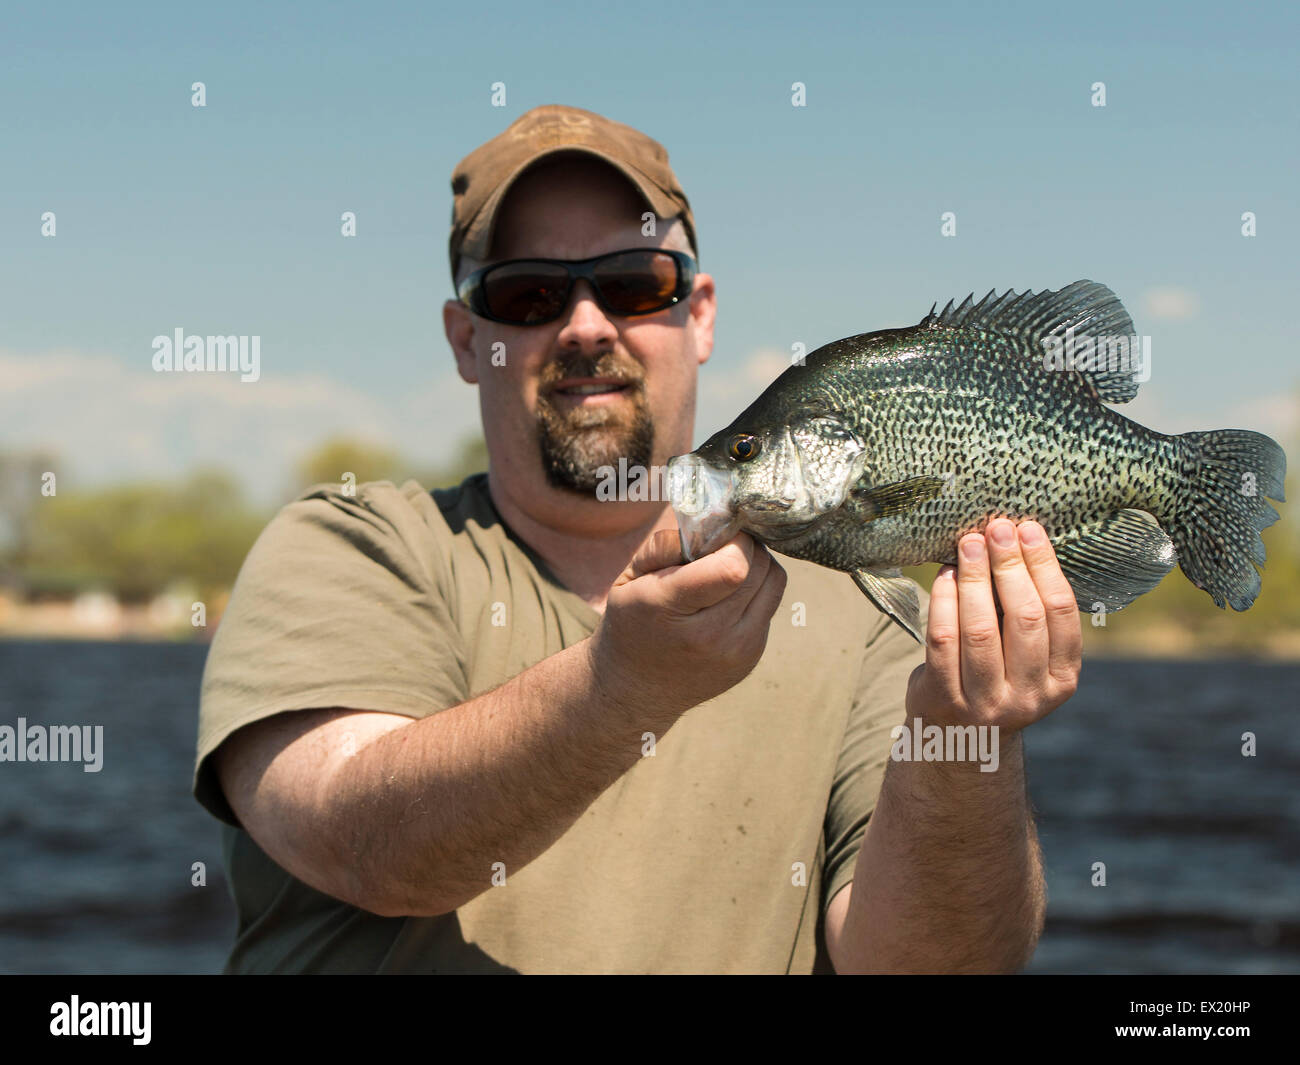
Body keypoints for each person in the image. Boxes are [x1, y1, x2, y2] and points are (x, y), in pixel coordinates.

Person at [193, 104, 1081, 974]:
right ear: (470, 340)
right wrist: (620, 690)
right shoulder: (351, 545)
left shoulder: (871, 606)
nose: (586, 324)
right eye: (529, 293)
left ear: (697, 315)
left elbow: (927, 967)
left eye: (632, 283)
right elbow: (363, 845)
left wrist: (966, 733)